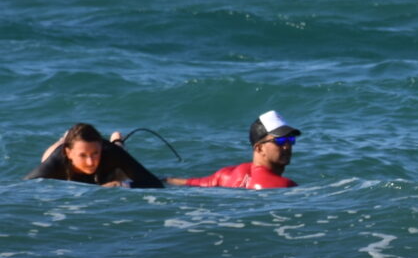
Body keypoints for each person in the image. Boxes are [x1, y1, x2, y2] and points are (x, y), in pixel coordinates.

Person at [170, 111, 300, 189]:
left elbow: (193, 183)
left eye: (290, 140)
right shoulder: (283, 186)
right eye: (280, 141)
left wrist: (164, 180)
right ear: (259, 148)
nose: (287, 146)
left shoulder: (228, 174)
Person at [25, 122, 165, 188]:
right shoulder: (55, 163)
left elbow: (154, 183)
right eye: (83, 155)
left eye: (95, 154)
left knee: (119, 163)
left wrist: (121, 184)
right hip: (63, 154)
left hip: (108, 152)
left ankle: (117, 141)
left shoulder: (109, 152)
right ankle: (65, 139)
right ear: (68, 153)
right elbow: (25, 188)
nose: (91, 162)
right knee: (49, 154)